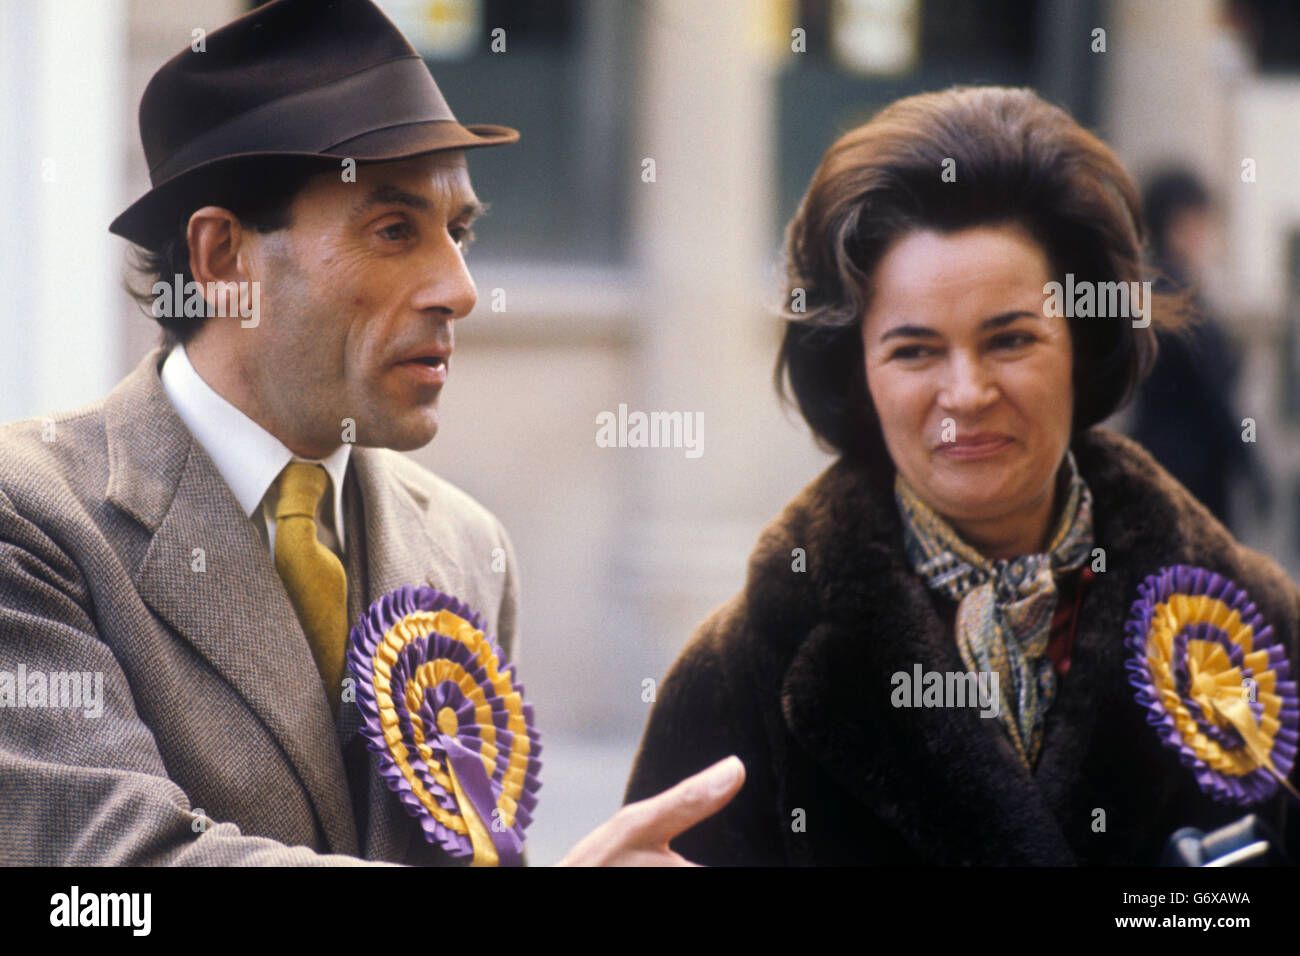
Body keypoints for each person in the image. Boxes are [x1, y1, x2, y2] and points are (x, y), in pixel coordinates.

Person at [0, 0, 742, 867]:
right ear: (222, 260)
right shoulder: (34, 517)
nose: (459, 288)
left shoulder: (465, 545)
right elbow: (112, 867)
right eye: (395, 230)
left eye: (460, 231)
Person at [624, 86, 1300, 865]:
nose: (967, 393)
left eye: (1010, 340)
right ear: (858, 376)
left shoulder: (1254, 623)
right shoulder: (744, 668)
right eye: (914, 351)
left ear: (1082, 343)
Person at [1129, 167, 1269, 532]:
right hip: (1195, 473)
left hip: (1155, 462)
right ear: (1178, 225)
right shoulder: (1183, 299)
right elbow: (1214, 395)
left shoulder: (1149, 293)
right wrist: (1251, 466)